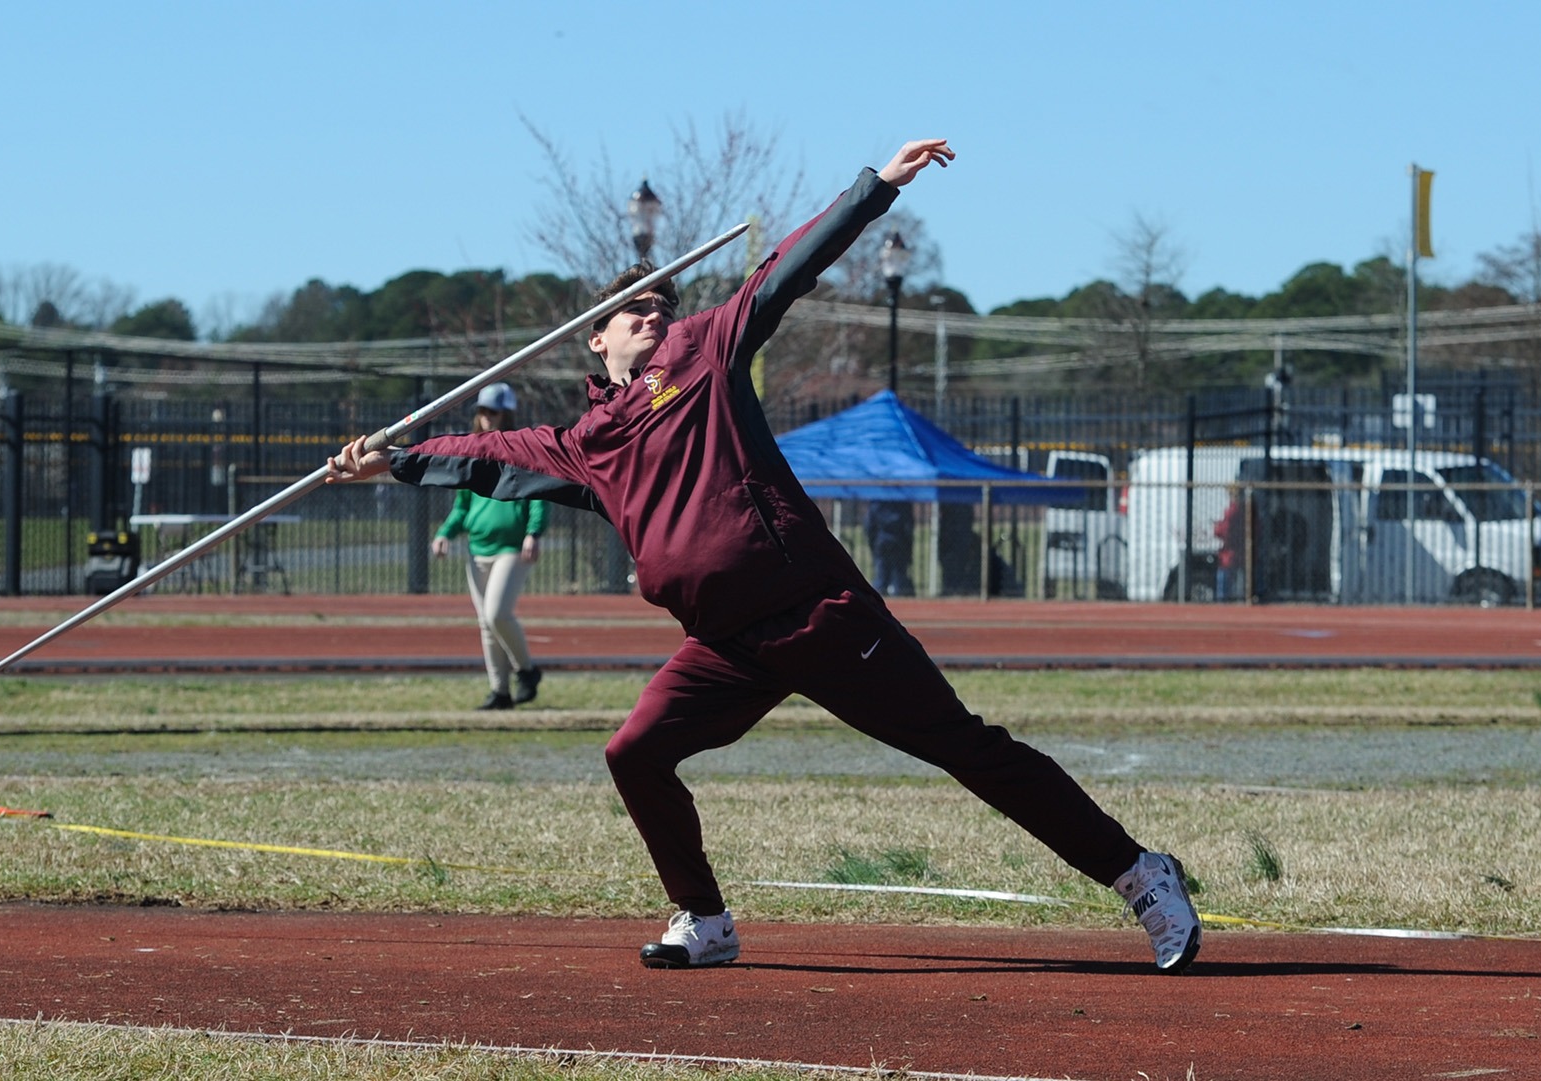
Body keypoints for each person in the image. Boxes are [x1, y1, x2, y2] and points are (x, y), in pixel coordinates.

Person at [329, 139, 1201, 975]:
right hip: (726, 645)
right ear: (596, 340)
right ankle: (703, 919)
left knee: (965, 747)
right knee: (634, 750)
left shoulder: (703, 354)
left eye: (663, 305)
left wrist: (877, 186)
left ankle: (1140, 873)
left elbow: (783, 270)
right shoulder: (584, 444)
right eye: (635, 310)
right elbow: (492, 456)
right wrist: (395, 459)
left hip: (819, 614)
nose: (654, 315)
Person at [433, 383, 547, 710]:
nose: (486, 417)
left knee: (497, 613)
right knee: (486, 622)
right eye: (482, 411)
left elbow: (539, 493)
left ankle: (527, 670)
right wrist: (445, 533)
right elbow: (462, 505)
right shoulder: (474, 452)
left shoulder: (522, 449)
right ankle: (500, 691)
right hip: (477, 547)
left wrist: (534, 532)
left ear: (507, 413)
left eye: (492, 411)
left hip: (512, 546)